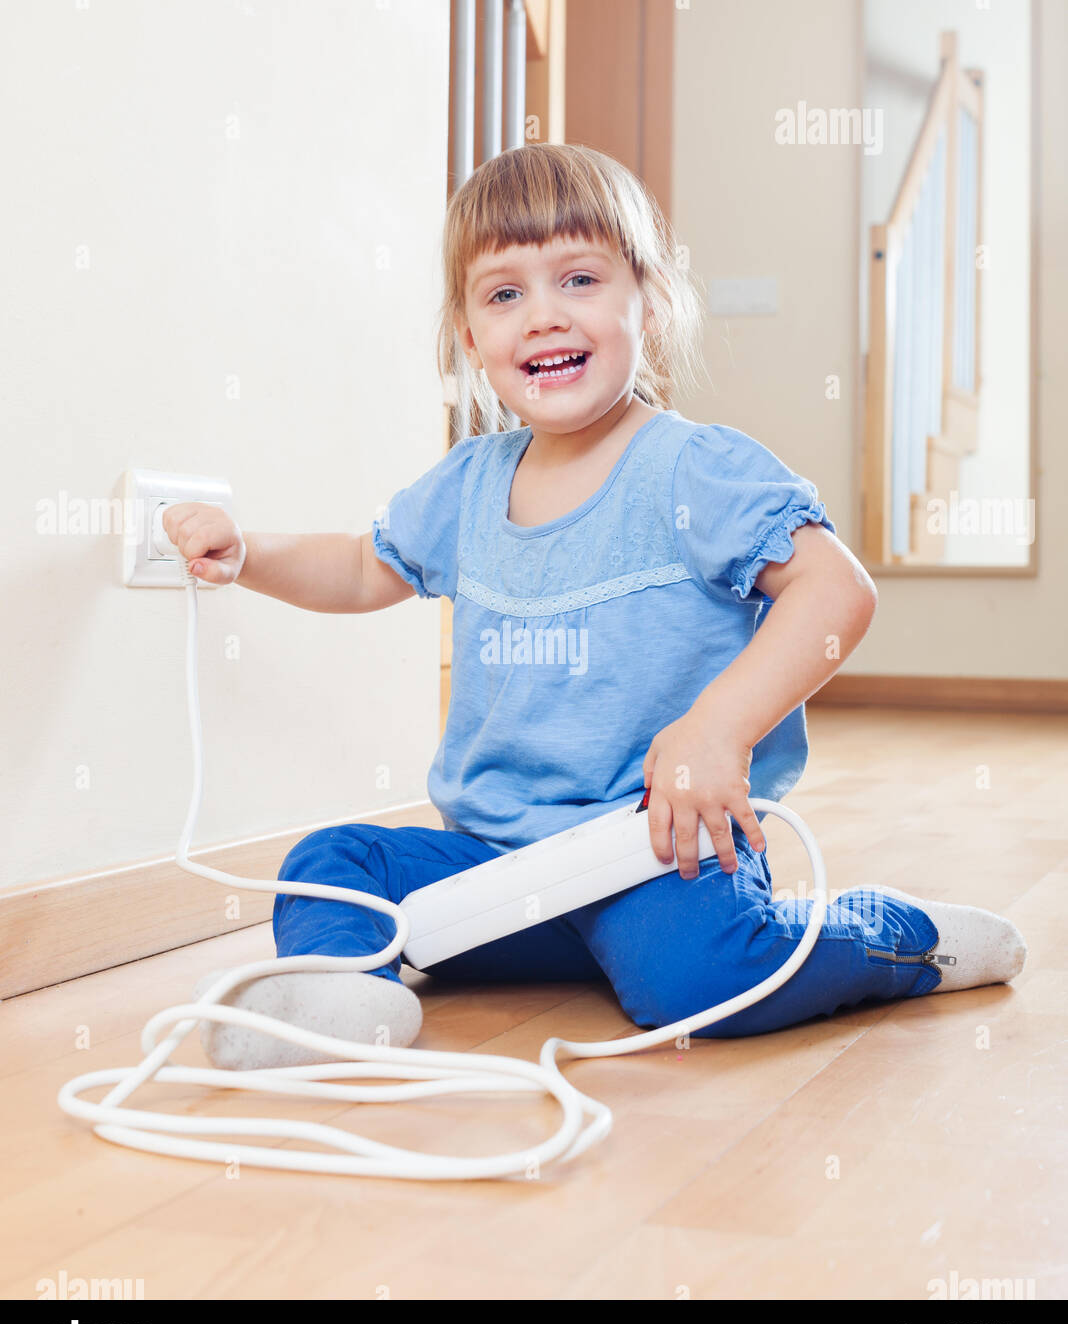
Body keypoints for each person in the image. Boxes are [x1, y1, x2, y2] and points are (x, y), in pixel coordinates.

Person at [165, 143, 1025, 1071]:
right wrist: (248, 554)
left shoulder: (694, 468)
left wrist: (717, 729)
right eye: (504, 295)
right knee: (331, 864)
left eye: (578, 278)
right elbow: (362, 568)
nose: (542, 316)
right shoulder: (465, 486)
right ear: (469, 338)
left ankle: (896, 938)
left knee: (694, 985)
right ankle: (334, 999)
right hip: (495, 868)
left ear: (647, 306)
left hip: (660, 857)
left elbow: (836, 591)